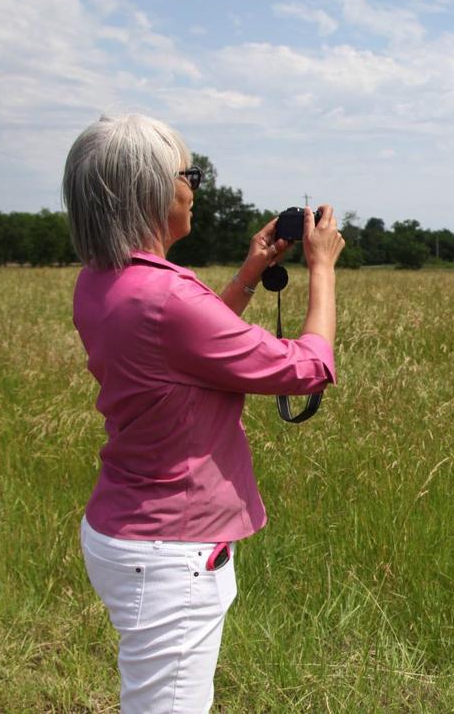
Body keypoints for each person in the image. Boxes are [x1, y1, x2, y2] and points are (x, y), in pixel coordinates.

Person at [63, 114, 345, 712]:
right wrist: (322, 267)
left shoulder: (101, 281)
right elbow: (308, 368)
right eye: (187, 173)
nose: (195, 186)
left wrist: (248, 274)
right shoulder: (168, 297)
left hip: (126, 527)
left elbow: (182, 348)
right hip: (172, 552)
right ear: (151, 191)